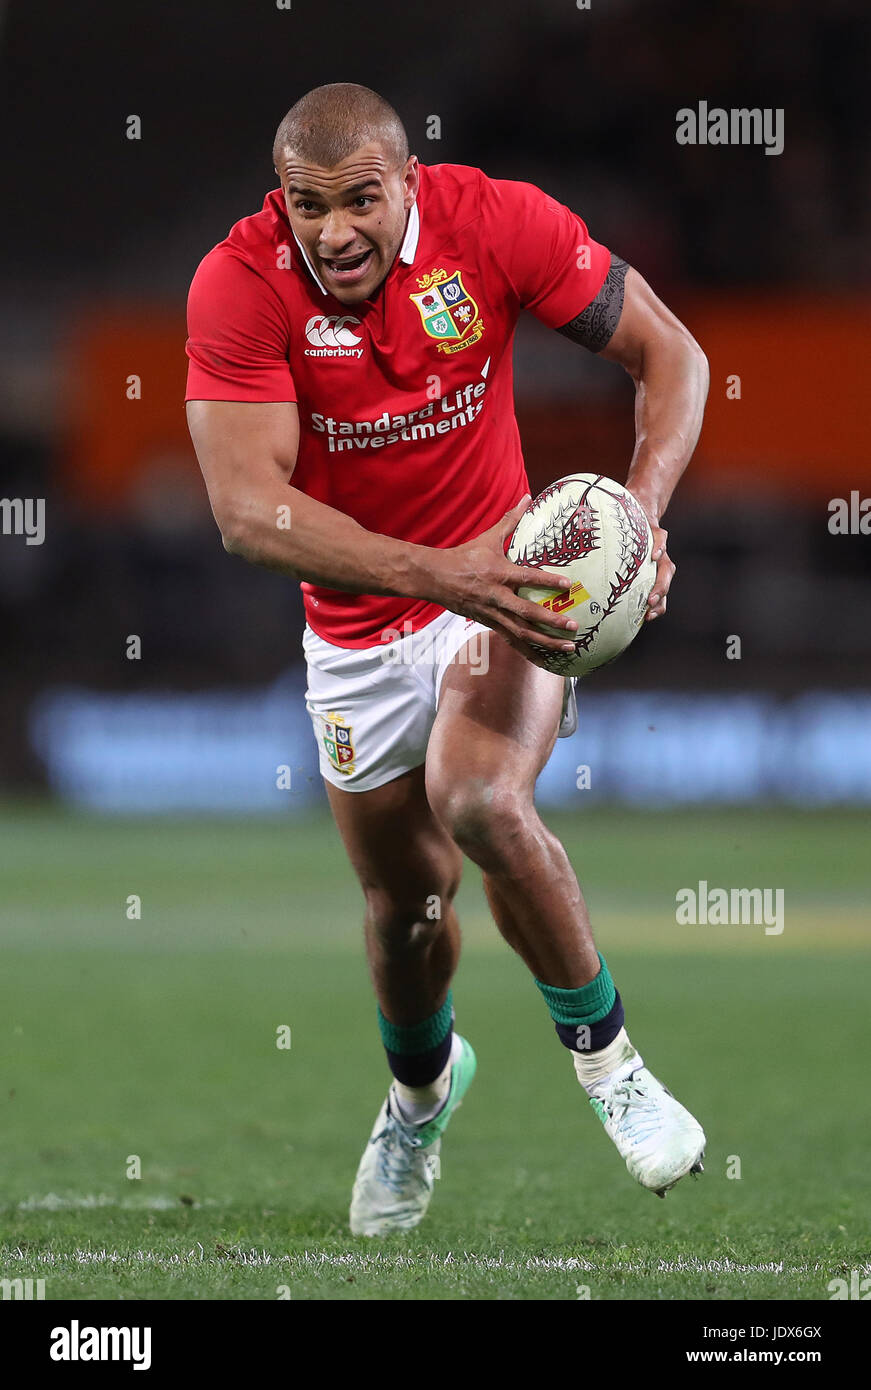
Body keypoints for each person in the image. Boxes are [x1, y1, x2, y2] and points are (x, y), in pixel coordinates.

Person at [185, 82, 710, 1237]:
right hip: (361, 624)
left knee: (476, 800)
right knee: (403, 911)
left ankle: (611, 1064)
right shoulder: (239, 282)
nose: (334, 232)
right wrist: (437, 573)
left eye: (360, 200)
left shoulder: (496, 224)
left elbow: (671, 357)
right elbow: (243, 511)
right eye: (307, 206)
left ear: (407, 183)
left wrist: (640, 520)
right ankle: (420, 1095)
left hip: (507, 586)